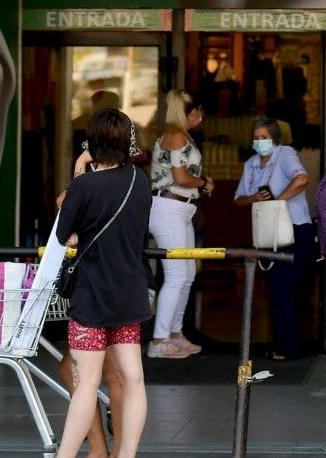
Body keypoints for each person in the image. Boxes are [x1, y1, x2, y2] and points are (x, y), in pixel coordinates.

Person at [55, 108, 151, 458]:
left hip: (91, 298)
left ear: (92, 144)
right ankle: (126, 455)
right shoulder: (140, 181)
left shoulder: (85, 186)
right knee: (133, 379)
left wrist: (79, 171)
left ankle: (64, 456)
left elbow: (63, 234)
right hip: (129, 294)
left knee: (86, 386)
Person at [233, 116, 311, 361]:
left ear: (274, 139)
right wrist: (255, 199)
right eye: (256, 138)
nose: (260, 142)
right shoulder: (251, 164)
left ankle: (289, 345)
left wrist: (279, 200)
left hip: (295, 228)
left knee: (284, 287)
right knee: (276, 289)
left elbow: (302, 179)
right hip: (268, 233)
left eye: (264, 137)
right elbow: (238, 198)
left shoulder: (285, 154)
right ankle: (283, 344)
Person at [147, 89, 212, 359]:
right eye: (196, 112)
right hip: (168, 208)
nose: (200, 117)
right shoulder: (175, 135)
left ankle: (175, 334)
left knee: (186, 275)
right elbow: (181, 177)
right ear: (187, 113)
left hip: (180, 209)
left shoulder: (179, 135)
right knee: (176, 276)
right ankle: (159, 340)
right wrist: (204, 183)